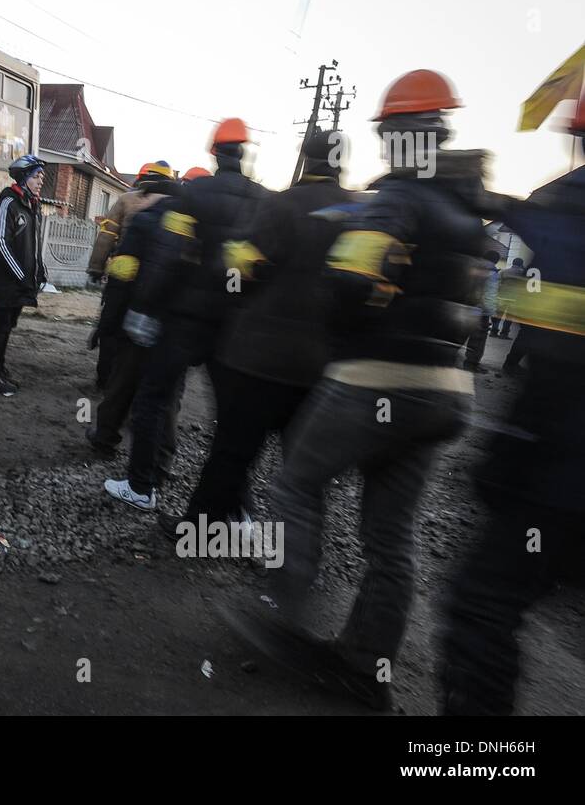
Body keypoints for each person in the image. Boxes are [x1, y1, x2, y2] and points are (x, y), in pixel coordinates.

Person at [231, 70, 487, 710]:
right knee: (391, 537)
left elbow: (349, 286)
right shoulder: (468, 210)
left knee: (296, 482)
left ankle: (280, 611)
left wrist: (342, 334)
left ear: (399, 135)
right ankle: (366, 666)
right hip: (448, 393)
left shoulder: (394, 199)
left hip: (377, 378)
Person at [440, 112, 585, 715]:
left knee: (484, 602)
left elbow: (549, 216)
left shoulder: (570, 204)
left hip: (563, 473)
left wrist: (471, 192)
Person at [170, 129, 351, 530]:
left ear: (306, 158)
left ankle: (205, 533)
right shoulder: (358, 214)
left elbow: (239, 269)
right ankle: (298, 560)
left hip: (257, 359)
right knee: (304, 466)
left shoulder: (282, 205)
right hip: (321, 366)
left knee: (232, 451)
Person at [102, 118, 265, 511]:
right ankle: (239, 510)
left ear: (214, 153)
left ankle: (142, 487)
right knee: (232, 422)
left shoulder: (195, 196)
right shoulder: (263, 200)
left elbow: (168, 255)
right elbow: (260, 265)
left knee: (153, 400)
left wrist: (144, 309)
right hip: (232, 326)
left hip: (185, 319)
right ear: (245, 152)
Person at [85, 164, 180, 454]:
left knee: (116, 344)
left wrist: (96, 268)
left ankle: (105, 388)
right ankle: (158, 452)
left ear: (143, 181)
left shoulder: (127, 201)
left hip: (126, 284)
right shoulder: (185, 211)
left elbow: (106, 238)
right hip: (166, 301)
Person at [0, 154, 47, 396]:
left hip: (22, 282)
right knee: (0, 327)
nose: (40, 181)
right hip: (8, 281)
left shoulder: (33, 206)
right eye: (36, 176)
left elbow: (33, 243)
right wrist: (20, 274)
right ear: (23, 178)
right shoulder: (10, 203)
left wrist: (39, 269)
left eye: (42, 176)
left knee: (9, 325)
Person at [461, 250, 500, 372]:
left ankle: (447, 357)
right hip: (479, 309)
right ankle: (471, 364)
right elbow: (490, 294)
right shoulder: (492, 272)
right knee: (479, 336)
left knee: (461, 331)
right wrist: (491, 312)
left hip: (465, 305)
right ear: (496, 260)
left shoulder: (470, 266)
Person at [490, 256, 526, 338]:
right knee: (509, 317)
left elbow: (497, 284)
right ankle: (504, 334)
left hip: (501, 297)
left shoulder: (504, 271)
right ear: (521, 264)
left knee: (498, 315)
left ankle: (493, 332)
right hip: (514, 299)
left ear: (513, 263)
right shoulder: (523, 273)